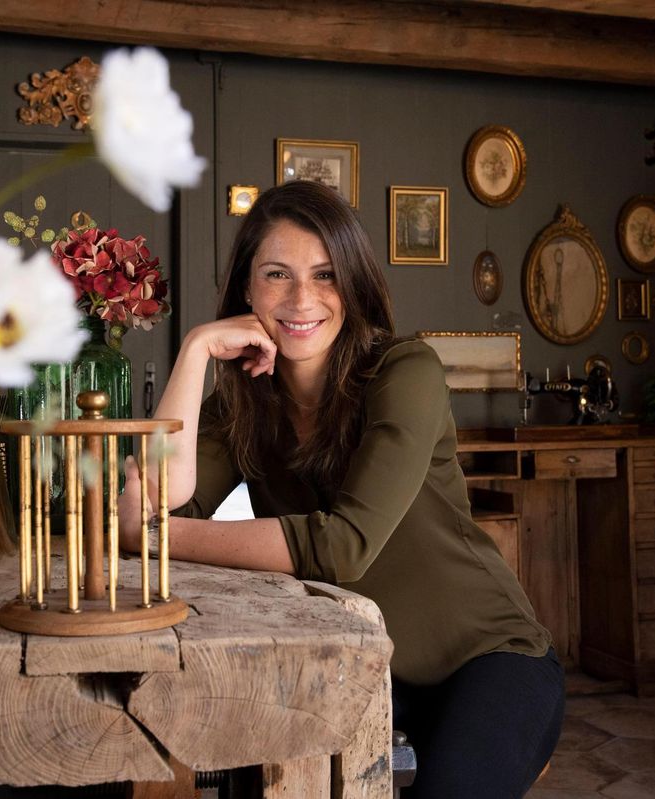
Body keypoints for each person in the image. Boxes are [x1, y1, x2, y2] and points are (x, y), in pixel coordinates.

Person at [119, 180, 564, 797]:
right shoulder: (244, 405)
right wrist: (195, 353)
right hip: (360, 665)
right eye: (277, 274)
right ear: (246, 289)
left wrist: (159, 538)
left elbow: (344, 547)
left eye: (325, 275)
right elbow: (137, 514)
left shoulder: (404, 371)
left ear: (353, 285)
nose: (302, 298)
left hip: (490, 659)